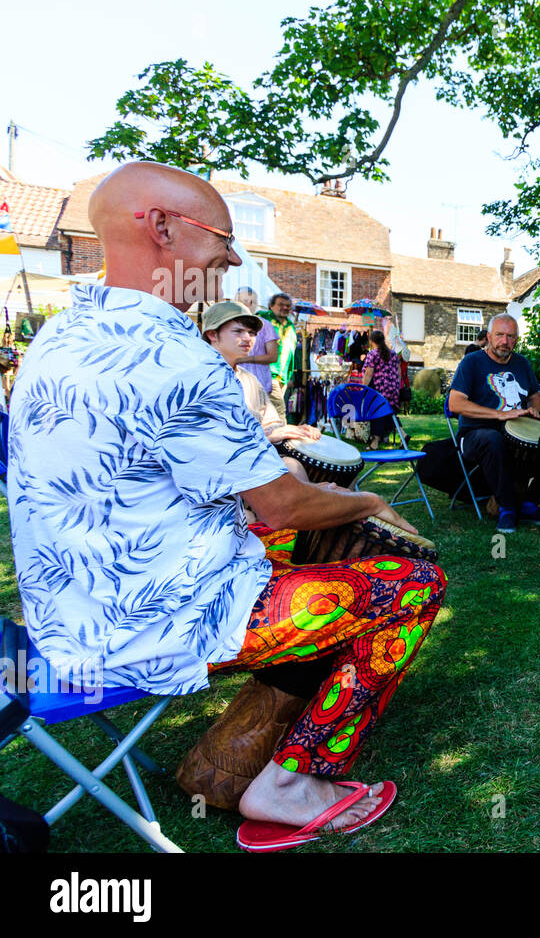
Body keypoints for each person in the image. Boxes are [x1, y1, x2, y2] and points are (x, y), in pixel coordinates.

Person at [7, 161, 445, 850]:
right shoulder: (175, 359)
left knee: (308, 548)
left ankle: (231, 757)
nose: (233, 256)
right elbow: (280, 505)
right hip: (147, 627)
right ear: (161, 228)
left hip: (73, 615)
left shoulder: (59, 336)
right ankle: (295, 780)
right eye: (221, 235)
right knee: (409, 581)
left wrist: (304, 499)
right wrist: (359, 499)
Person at [448, 312, 540, 533]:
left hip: (514, 430)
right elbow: (455, 404)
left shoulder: (522, 363)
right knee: (494, 439)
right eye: (499, 335)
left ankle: (529, 503)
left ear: (516, 339)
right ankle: (506, 507)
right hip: (475, 433)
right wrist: (499, 414)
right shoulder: (472, 362)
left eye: (510, 336)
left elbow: (535, 395)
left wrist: (533, 411)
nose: (504, 341)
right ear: (489, 336)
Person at [201, 299, 321, 479]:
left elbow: (271, 423)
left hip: (253, 464)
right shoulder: (200, 378)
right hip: (218, 476)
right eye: (238, 331)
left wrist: (295, 429)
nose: (248, 338)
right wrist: (267, 436)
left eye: (251, 332)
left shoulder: (249, 380)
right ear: (212, 334)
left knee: (295, 467)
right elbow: (209, 442)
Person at [361, 329, 404, 450]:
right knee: (389, 414)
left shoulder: (373, 354)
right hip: (393, 389)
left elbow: (369, 373)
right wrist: (396, 387)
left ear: (372, 341)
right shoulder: (393, 354)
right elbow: (398, 371)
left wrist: (363, 388)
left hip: (379, 389)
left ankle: (374, 443)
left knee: (377, 414)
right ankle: (403, 434)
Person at [258, 292, 297, 421]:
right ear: (271, 306)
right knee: (279, 412)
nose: (285, 308)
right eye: (280, 304)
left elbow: (291, 353)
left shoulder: (290, 326)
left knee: (266, 412)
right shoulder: (262, 318)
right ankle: (282, 438)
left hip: (282, 377)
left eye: (287, 305)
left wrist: (288, 377)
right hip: (266, 373)